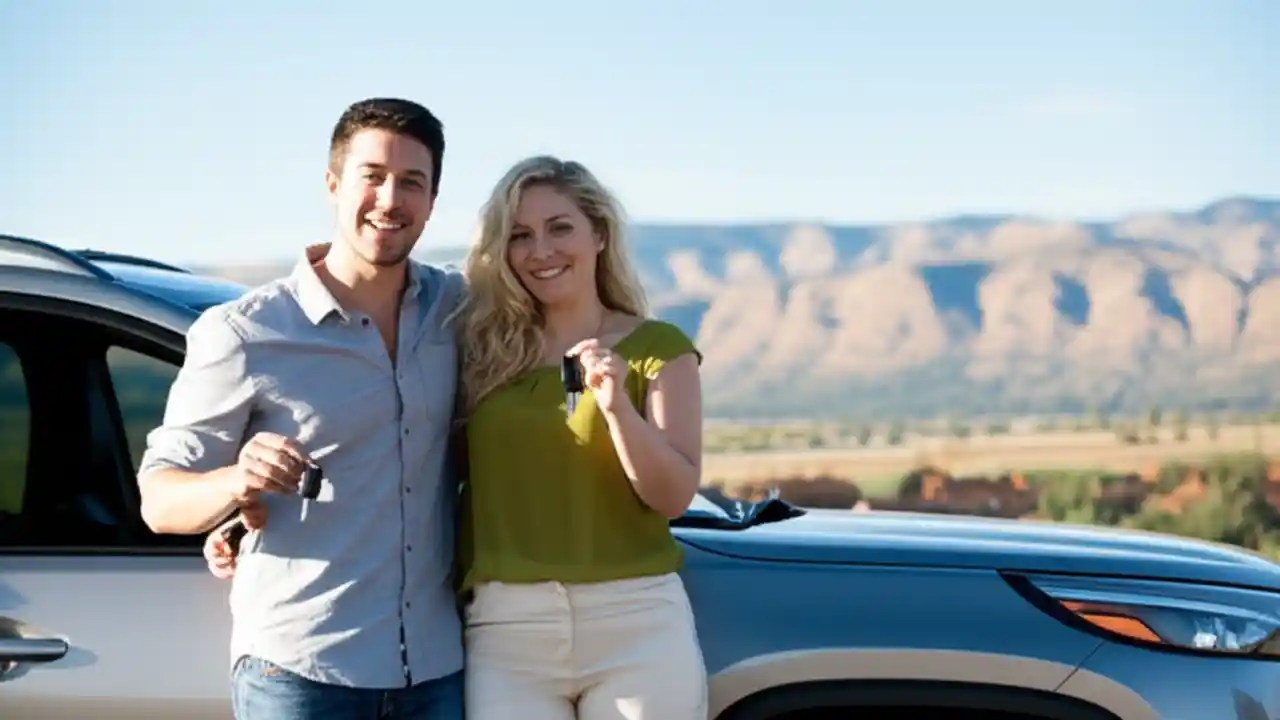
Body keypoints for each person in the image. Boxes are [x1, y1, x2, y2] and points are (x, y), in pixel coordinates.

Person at [206, 155, 709, 719]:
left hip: (635, 620)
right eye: (520, 235)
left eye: (559, 228)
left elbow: (673, 496)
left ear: (599, 233)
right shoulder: (483, 348)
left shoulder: (657, 348)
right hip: (506, 630)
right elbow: (406, 459)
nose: (540, 251)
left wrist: (616, 406)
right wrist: (245, 504)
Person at [139, 97, 466, 719]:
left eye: (411, 182)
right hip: (302, 676)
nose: (390, 199)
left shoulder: (456, 309)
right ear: (334, 184)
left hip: (435, 672)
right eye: (372, 176)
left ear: (431, 200)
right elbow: (159, 499)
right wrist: (236, 482)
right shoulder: (244, 334)